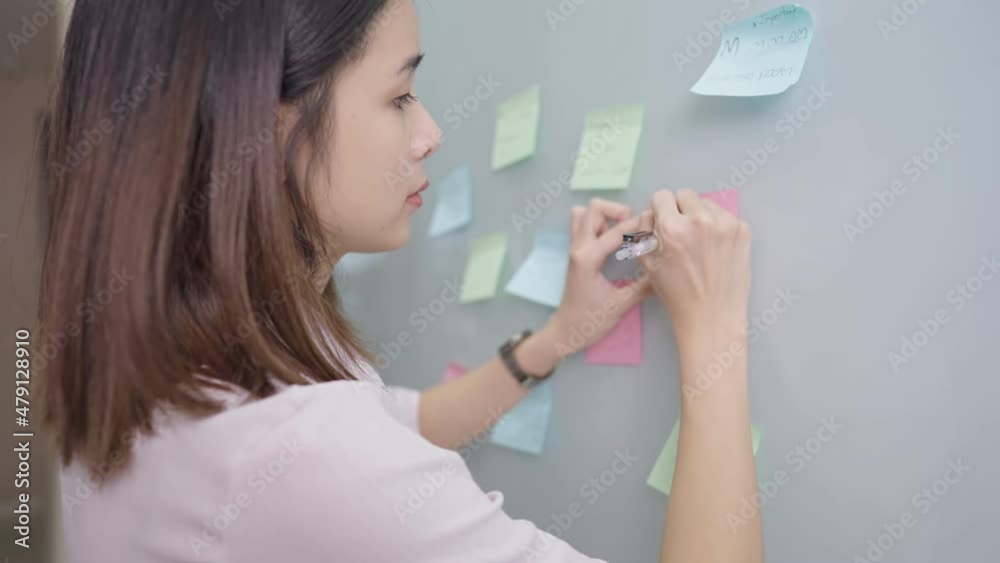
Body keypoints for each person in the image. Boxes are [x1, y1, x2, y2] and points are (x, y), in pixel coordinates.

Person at [38, 1, 760, 561]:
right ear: (269, 121)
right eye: (400, 95)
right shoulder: (302, 448)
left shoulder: (157, 367)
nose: (431, 132)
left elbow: (399, 421)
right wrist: (716, 329)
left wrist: (556, 337)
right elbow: (349, 453)